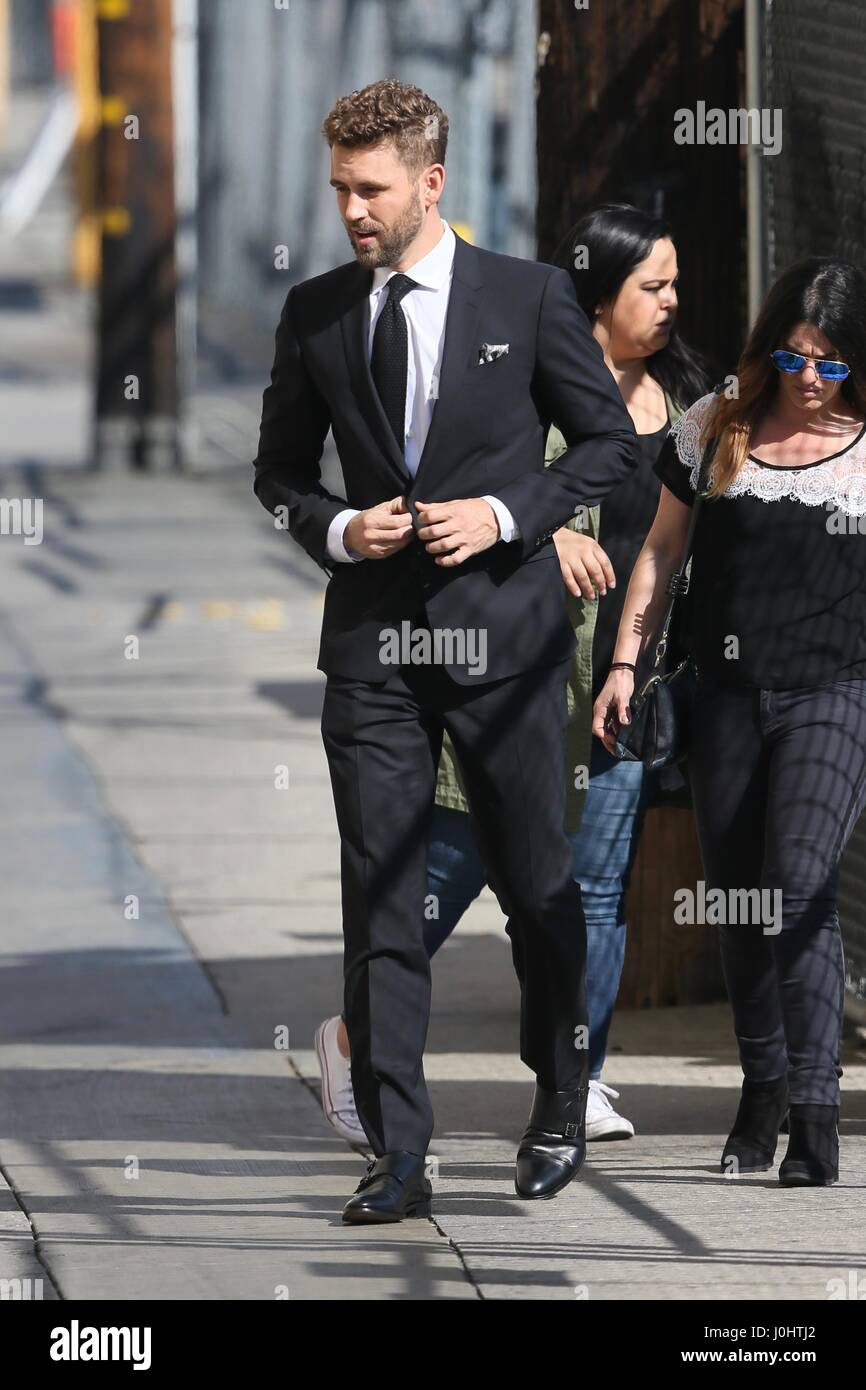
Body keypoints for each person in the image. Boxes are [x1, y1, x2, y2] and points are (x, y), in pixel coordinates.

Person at [252, 79, 637, 1223]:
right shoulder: (317, 311)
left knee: (535, 888)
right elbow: (274, 476)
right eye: (337, 190)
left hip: (501, 642)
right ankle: (398, 1153)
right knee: (379, 899)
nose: (351, 211)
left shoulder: (526, 297)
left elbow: (610, 447)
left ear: (429, 182)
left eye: (369, 189)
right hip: (373, 645)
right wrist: (333, 525)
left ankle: (560, 1099)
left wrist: (509, 515)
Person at [316, 203, 711, 1147]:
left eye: (673, 286)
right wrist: (548, 537)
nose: (668, 304)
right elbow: (478, 487)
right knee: (439, 883)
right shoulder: (529, 381)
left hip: (625, 676)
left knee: (594, 889)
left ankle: (582, 1074)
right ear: (597, 300)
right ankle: (351, 1036)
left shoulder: (692, 403)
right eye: (649, 287)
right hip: (522, 670)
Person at [593, 257, 866, 1187]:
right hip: (726, 697)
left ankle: (816, 1116)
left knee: (798, 885)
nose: (811, 382)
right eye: (796, 359)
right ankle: (763, 1092)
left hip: (834, 695)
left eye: (831, 365)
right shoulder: (718, 423)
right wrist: (627, 660)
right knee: (743, 901)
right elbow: (659, 553)